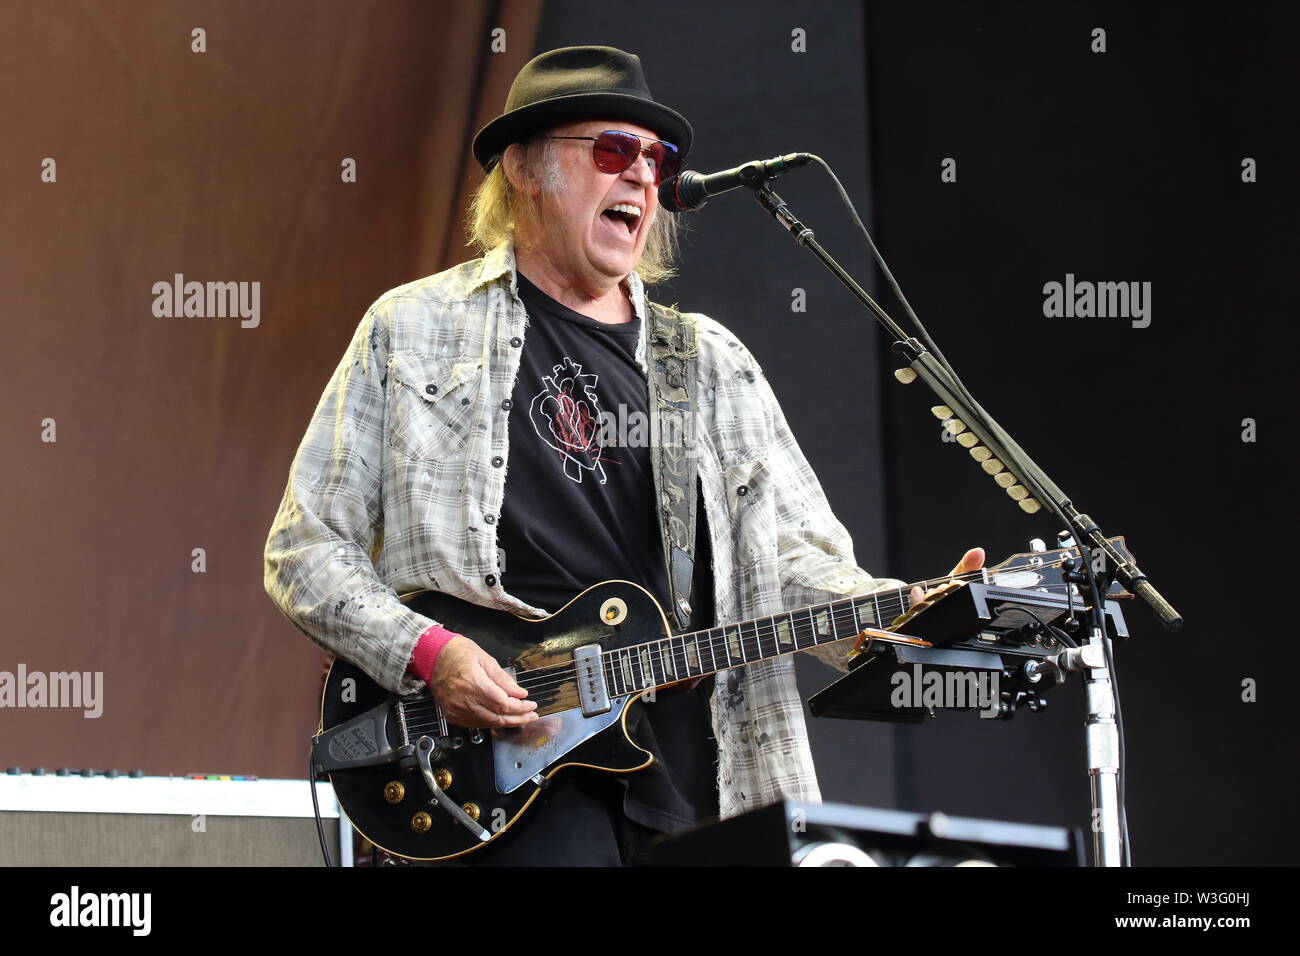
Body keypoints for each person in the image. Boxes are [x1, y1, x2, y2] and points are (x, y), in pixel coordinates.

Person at [264, 45, 983, 865]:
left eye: (659, 158)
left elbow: (788, 565)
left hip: (694, 777)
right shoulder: (413, 330)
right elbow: (306, 550)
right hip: (491, 772)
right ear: (525, 168)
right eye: (612, 150)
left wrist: (895, 614)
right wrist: (433, 655)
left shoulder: (710, 363)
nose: (643, 176)